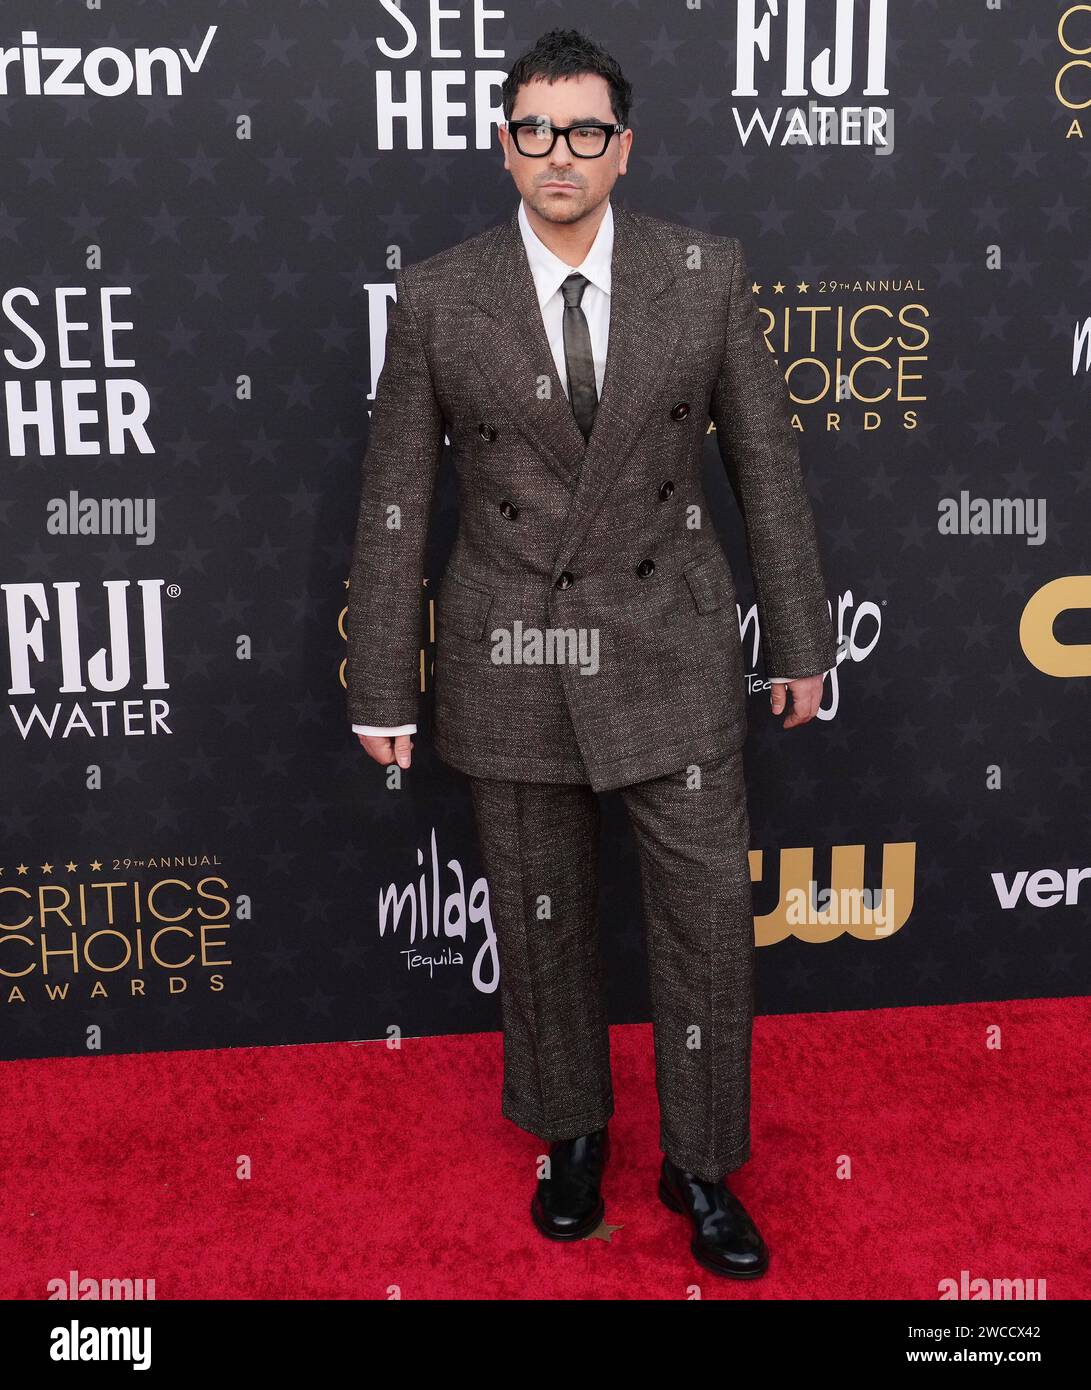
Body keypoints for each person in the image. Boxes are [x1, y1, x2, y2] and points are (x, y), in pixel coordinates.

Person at [346, 28, 838, 1279]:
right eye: (531, 130)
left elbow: (764, 472)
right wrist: (380, 678)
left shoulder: (703, 273)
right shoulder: (439, 296)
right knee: (541, 915)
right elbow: (397, 494)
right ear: (501, 143)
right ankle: (569, 1137)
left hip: (665, 640)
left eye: (581, 131)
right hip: (510, 653)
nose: (555, 153)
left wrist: (799, 639)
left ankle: (700, 1164)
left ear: (622, 147)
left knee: (703, 928)